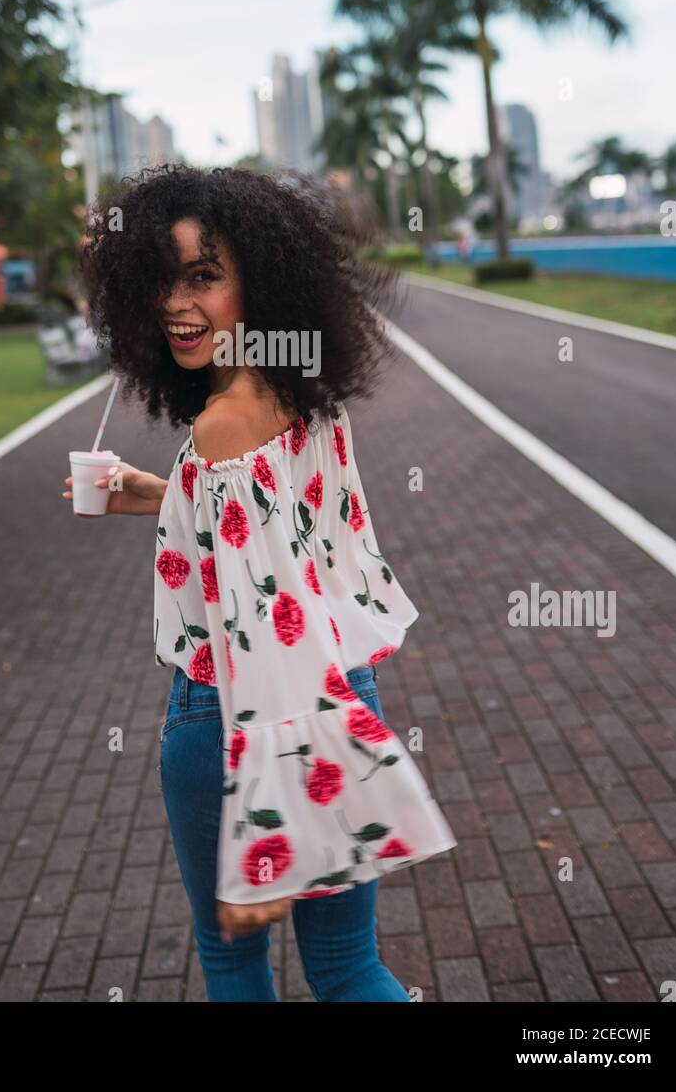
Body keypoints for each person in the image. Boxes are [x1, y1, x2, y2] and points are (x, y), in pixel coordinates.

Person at [64, 162, 457, 1001]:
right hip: (341, 694)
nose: (177, 304)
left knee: (236, 962)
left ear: (261, 282)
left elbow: (262, 632)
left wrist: (267, 837)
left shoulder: (221, 424)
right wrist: (155, 497)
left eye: (204, 276)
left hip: (238, 715)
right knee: (350, 968)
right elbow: (277, 547)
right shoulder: (299, 394)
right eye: (163, 280)